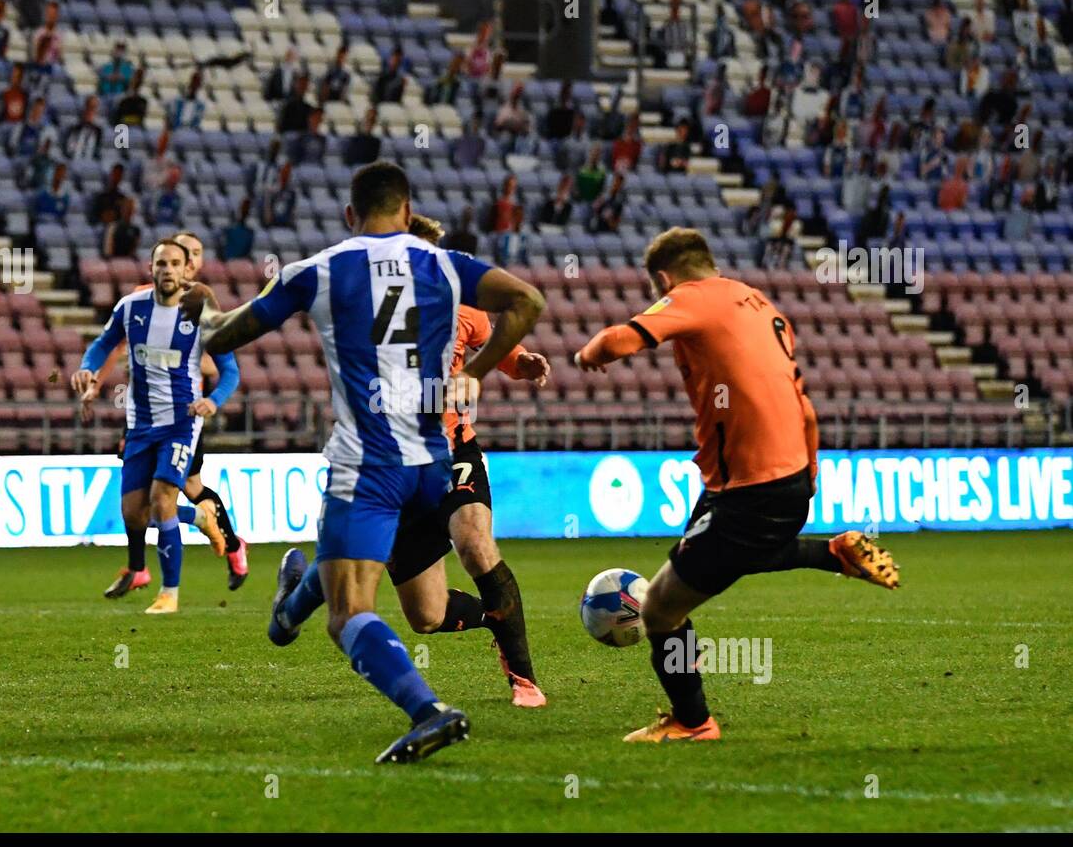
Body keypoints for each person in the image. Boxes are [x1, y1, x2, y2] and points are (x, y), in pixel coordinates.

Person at [188, 161, 545, 761]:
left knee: (350, 611)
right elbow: (527, 300)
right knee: (403, 601)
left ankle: (426, 709)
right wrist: (475, 377)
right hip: (433, 463)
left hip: (367, 464)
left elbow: (222, 337)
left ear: (350, 216)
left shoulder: (320, 270)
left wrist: (202, 308)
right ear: (408, 213)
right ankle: (286, 610)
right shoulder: (444, 265)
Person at [572, 227, 900, 743]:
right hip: (774, 477)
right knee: (707, 558)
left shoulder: (691, 299)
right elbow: (804, 405)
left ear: (664, 277)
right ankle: (832, 554)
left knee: (659, 608)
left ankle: (693, 722)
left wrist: (588, 355)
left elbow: (616, 341)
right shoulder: (761, 305)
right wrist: (808, 474)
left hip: (751, 490)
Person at [264, 212, 550, 707]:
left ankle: (523, 679)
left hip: (451, 449)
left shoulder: (458, 301)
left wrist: (519, 362)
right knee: (427, 616)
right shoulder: (362, 310)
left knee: (476, 544)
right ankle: (295, 601)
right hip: (384, 461)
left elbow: (489, 337)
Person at [82, 232, 247, 596]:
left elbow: (224, 364)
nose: (175, 266)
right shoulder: (137, 303)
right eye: (165, 262)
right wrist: (94, 380)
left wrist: (213, 396)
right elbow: (112, 344)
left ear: (191, 264)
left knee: (176, 493)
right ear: (154, 266)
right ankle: (152, 560)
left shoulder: (202, 304)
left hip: (186, 417)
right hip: (142, 418)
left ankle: (222, 553)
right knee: (140, 507)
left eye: (188, 257)